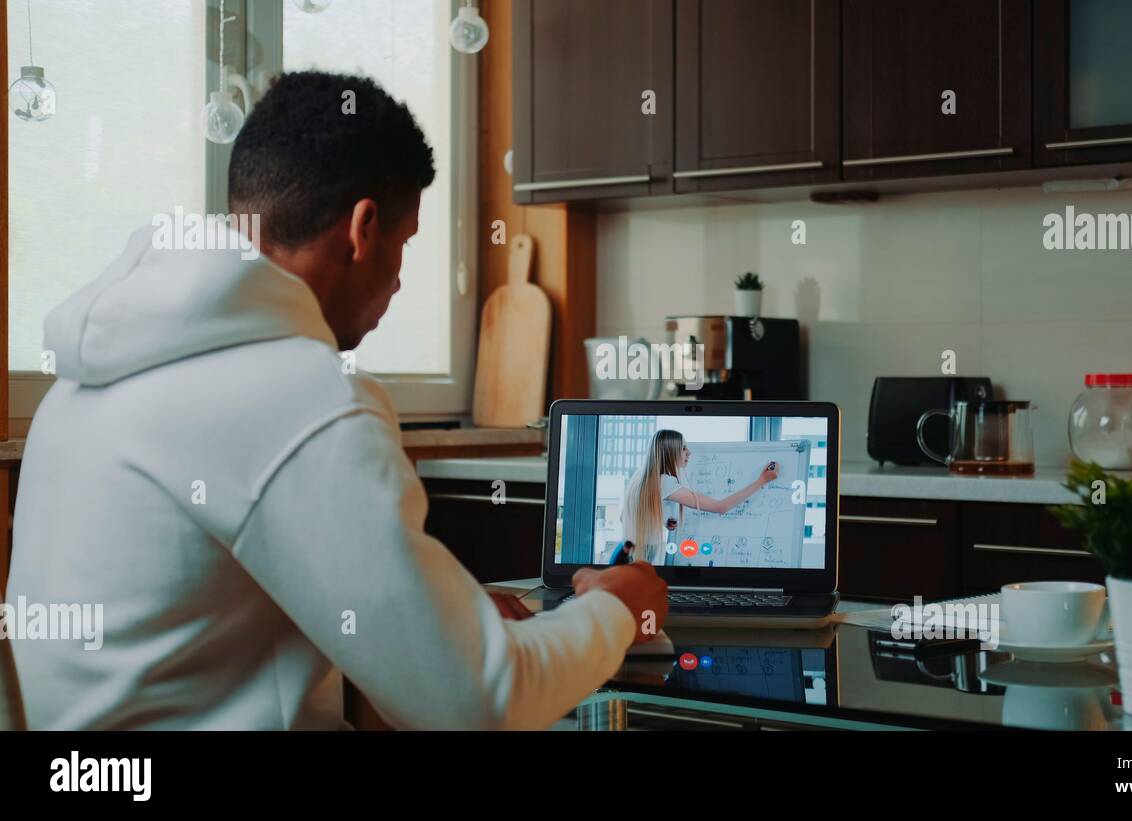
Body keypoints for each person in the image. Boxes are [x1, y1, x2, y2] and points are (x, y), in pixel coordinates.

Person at [7, 71, 666, 730]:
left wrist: (437, 618)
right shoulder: (302, 396)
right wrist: (614, 606)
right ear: (363, 227)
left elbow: (202, 629)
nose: (402, 279)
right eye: (404, 246)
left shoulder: (85, 378)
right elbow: (479, 703)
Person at [621, 430, 778, 564]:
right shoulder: (665, 481)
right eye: (683, 448)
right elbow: (720, 507)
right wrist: (762, 481)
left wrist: (661, 521)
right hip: (643, 556)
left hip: (625, 552)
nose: (689, 453)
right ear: (670, 452)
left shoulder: (639, 477)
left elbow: (625, 517)